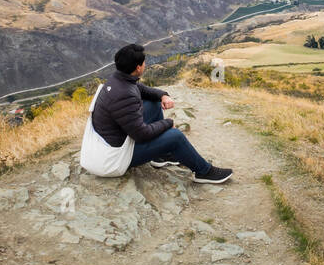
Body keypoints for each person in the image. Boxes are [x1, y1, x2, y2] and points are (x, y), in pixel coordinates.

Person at [81, 43, 233, 183]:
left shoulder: (118, 80)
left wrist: (163, 95)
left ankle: (161, 156)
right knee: (176, 137)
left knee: (153, 103)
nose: (145, 64)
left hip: (114, 141)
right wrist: (168, 123)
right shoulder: (124, 94)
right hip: (113, 160)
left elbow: (143, 90)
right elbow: (141, 134)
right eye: (144, 62)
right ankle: (203, 172)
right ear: (138, 67)